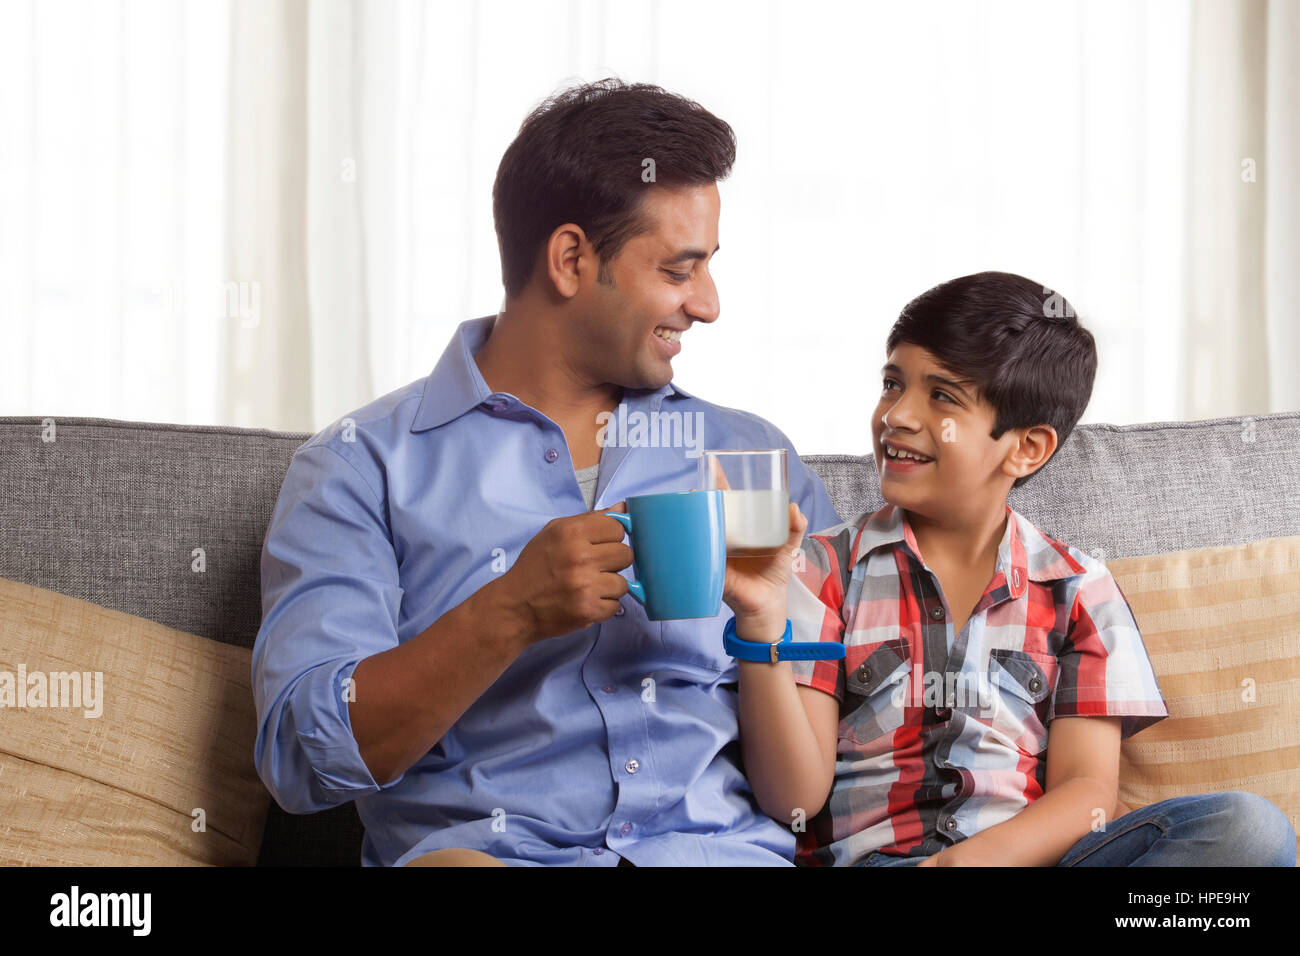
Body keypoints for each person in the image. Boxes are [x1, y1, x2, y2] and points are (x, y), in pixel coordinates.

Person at [250, 78, 841, 867]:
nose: (708, 304)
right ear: (569, 260)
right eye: (679, 269)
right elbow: (300, 757)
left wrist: (763, 625)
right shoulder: (360, 468)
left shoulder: (753, 461)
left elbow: (809, 793)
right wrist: (508, 614)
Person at [720, 271, 1297, 866]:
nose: (898, 415)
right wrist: (761, 619)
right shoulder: (821, 568)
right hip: (876, 860)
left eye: (941, 396)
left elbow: (1086, 793)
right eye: (893, 384)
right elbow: (793, 798)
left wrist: (960, 864)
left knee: (1248, 831)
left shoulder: (1079, 590)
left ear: (1027, 447)